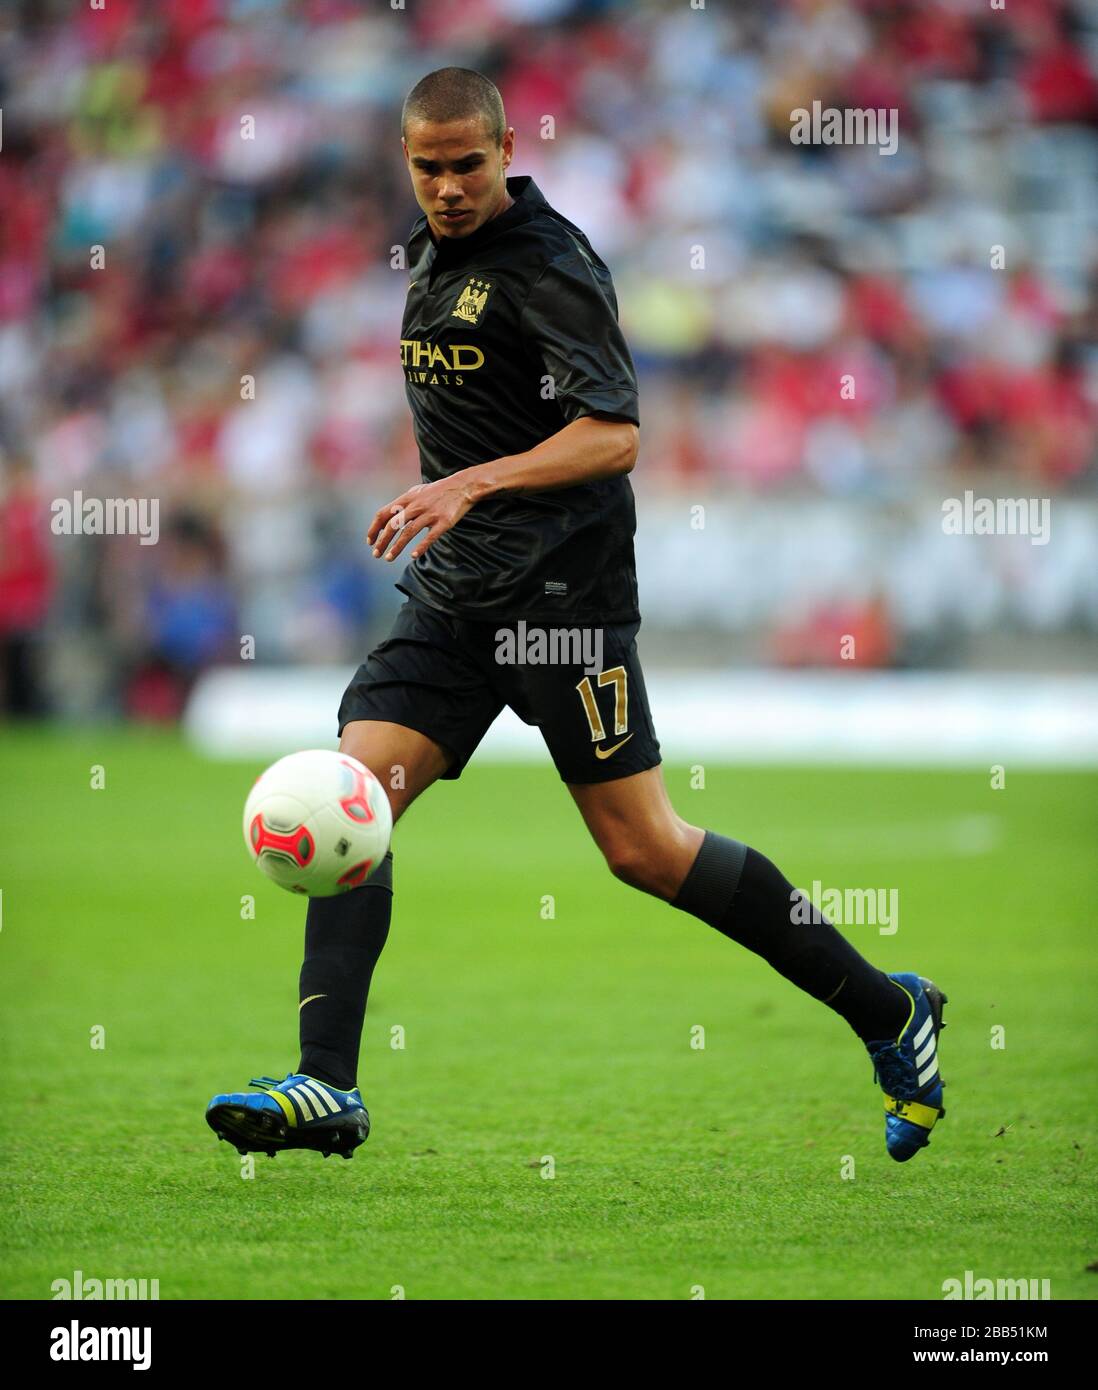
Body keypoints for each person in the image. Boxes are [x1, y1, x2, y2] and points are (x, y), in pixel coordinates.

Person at [206, 68, 947, 1166]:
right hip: (455, 599)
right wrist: (461, 506)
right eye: (428, 167)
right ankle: (327, 1083)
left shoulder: (551, 267)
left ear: (506, 148)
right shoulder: (429, 255)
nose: (449, 187)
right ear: (405, 162)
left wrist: (470, 484)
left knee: (645, 850)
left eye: (467, 164)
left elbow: (614, 433)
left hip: (564, 605)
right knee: (353, 804)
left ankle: (891, 1012)